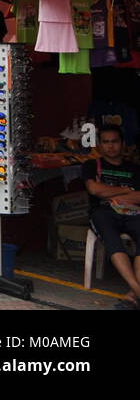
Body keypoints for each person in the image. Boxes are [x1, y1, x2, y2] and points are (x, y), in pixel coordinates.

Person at [85, 124, 140, 309]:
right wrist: (125, 190)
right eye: (106, 142)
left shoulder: (134, 168)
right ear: (100, 145)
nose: (111, 146)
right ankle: (137, 290)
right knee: (111, 239)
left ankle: (133, 294)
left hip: (132, 212)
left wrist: (108, 194)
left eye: (115, 141)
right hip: (104, 212)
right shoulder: (92, 165)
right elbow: (93, 189)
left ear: (123, 143)